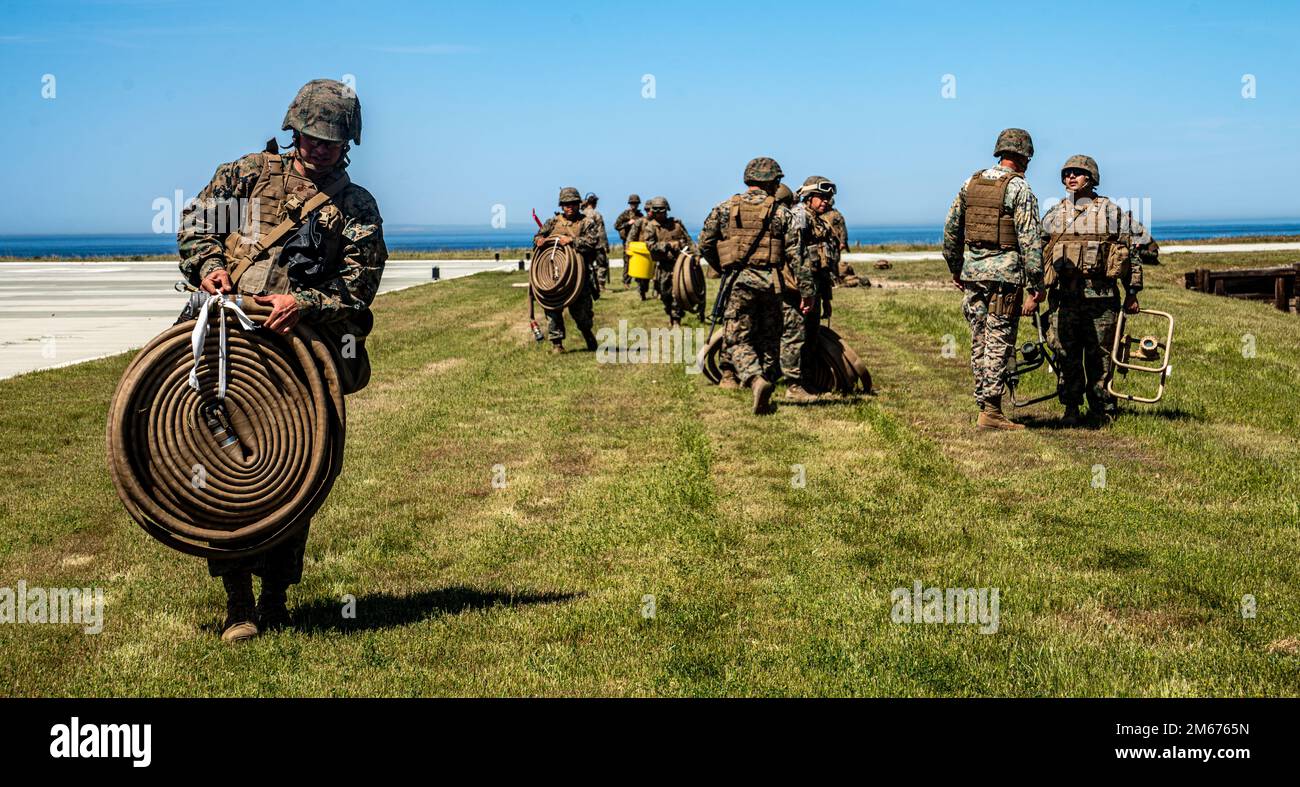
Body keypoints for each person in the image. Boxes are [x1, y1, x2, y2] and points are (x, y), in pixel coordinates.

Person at [177, 78, 387, 641]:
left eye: (330, 140)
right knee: (225, 472)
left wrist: (305, 303)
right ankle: (237, 601)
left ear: (349, 143)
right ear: (293, 129)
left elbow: (358, 288)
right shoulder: (245, 175)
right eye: (310, 136)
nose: (318, 148)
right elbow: (198, 227)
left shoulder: (356, 207)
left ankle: (275, 597)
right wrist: (208, 269)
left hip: (302, 362)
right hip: (228, 347)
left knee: (298, 472)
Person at [941, 128, 1045, 431]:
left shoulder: (970, 183)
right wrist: (1036, 284)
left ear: (1000, 151)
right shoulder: (1019, 189)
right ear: (1025, 156)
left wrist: (956, 267)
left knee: (979, 340)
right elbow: (1030, 241)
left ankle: (984, 405)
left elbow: (951, 231)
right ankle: (991, 411)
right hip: (1004, 278)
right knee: (998, 341)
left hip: (973, 274)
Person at [1040, 155, 1143, 425]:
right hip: (1064, 299)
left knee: (1101, 357)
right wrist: (1033, 290)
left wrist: (1132, 291)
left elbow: (1129, 253)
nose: (1070, 177)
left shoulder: (1111, 212)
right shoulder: (1054, 214)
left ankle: (1103, 410)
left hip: (1102, 299)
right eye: (1067, 173)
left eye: (1078, 173)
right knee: (1066, 355)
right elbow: (1037, 252)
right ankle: (1071, 409)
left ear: (1091, 178)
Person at [698, 157, 805, 414]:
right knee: (770, 333)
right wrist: (807, 292)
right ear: (774, 182)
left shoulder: (725, 208)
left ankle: (755, 379)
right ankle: (766, 379)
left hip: (739, 281)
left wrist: (724, 264)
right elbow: (797, 256)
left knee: (736, 338)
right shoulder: (782, 212)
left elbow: (704, 243)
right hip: (773, 283)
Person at [780, 176, 838, 402]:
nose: (826, 201)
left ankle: (806, 380)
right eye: (821, 197)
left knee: (810, 336)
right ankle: (793, 385)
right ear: (808, 196)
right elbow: (797, 257)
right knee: (795, 336)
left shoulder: (819, 221)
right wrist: (806, 292)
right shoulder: (799, 218)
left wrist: (825, 296)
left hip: (813, 289)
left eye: (828, 197)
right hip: (797, 289)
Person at [533, 186, 602, 353]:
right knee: (552, 309)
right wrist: (539, 240)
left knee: (582, 312)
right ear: (561, 206)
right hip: (554, 274)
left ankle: (587, 334)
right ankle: (557, 344)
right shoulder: (552, 222)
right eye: (566, 204)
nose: (569, 207)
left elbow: (592, 242)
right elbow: (537, 237)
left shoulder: (586, 223)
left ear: (579, 204)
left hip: (579, 275)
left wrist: (572, 240)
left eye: (572, 204)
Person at [627, 196, 696, 327]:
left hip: (678, 264)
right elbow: (650, 245)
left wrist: (696, 255)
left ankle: (676, 319)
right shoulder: (651, 227)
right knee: (665, 294)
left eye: (662, 210)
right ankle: (670, 312)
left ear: (666, 210)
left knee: (678, 292)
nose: (659, 213)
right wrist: (668, 245)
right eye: (656, 210)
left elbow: (689, 241)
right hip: (663, 266)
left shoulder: (676, 224)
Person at [614, 194, 644, 290]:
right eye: (632, 203)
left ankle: (639, 282)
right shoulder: (625, 214)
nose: (634, 205)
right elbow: (616, 226)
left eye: (635, 203)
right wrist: (627, 223)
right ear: (629, 204)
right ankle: (626, 282)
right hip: (627, 242)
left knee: (639, 261)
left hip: (638, 243)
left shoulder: (640, 215)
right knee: (627, 262)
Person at [583, 192, 610, 289]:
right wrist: (605, 246)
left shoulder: (582, 213)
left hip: (586, 244)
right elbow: (601, 231)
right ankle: (601, 285)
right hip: (598, 244)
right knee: (602, 265)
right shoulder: (597, 214)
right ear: (595, 203)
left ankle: (589, 285)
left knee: (588, 265)